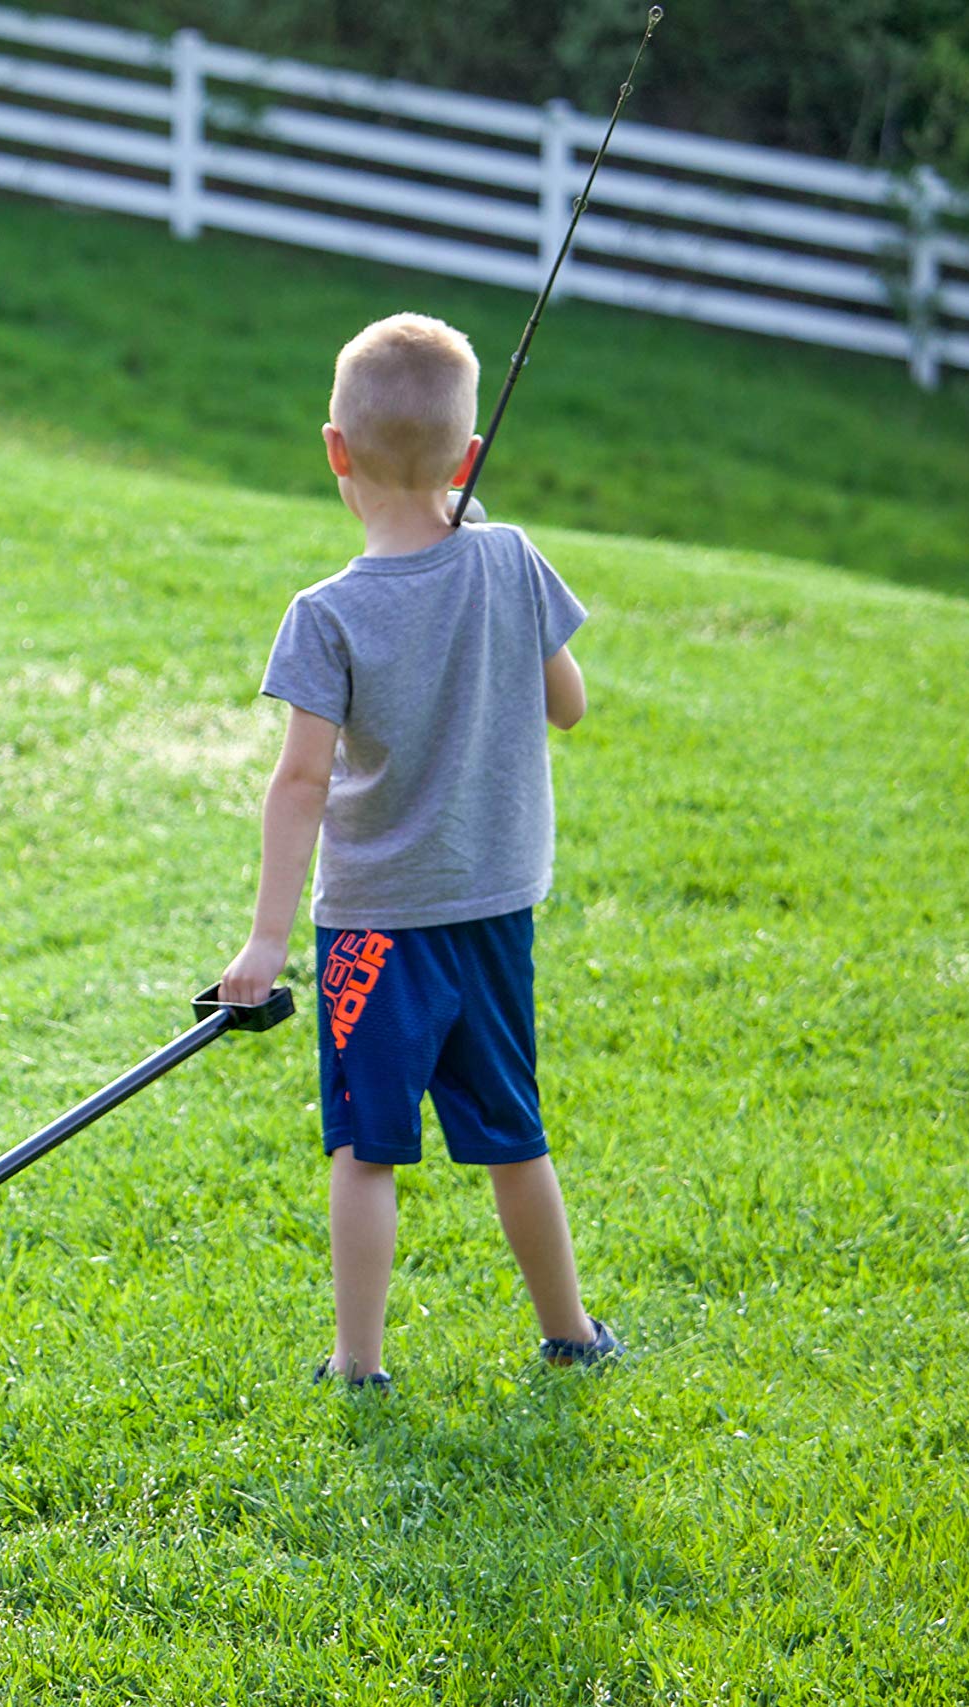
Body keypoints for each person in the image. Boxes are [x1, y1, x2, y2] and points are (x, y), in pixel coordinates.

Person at [217, 312, 620, 1389]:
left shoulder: (324, 615)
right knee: (513, 1137)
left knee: (366, 1149)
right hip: (491, 913)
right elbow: (568, 707)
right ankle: (571, 1331)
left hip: (374, 930)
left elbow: (299, 782)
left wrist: (264, 940)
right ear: (467, 456)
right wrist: (495, 577)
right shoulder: (511, 558)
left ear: (334, 451)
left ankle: (357, 1362)